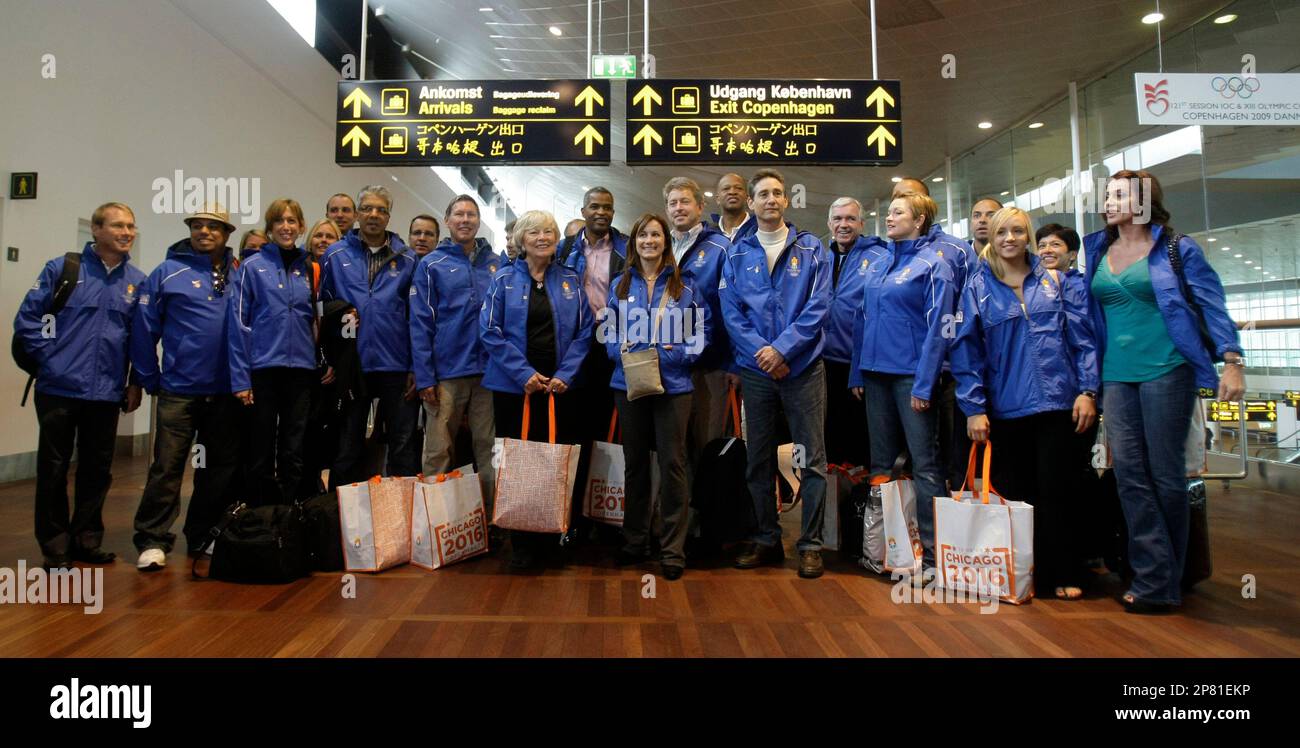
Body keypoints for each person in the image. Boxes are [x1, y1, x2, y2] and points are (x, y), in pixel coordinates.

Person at [1082, 169, 1244, 613]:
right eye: (1108, 194)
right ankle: (1155, 573)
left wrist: (1232, 361)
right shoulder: (1097, 247)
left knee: (1166, 475)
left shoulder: (1176, 248)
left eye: (1120, 194)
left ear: (1144, 200)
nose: (1110, 201)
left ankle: (1161, 579)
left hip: (1167, 369)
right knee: (1130, 476)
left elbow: (1212, 304)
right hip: (1116, 374)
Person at [951, 207, 1099, 600]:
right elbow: (967, 353)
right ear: (992, 238)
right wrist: (974, 408)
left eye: (1018, 231)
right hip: (1007, 408)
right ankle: (1021, 573)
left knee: (1060, 491)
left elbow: (1083, 340)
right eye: (1002, 232)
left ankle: (1064, 571)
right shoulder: (978, 287)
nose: (1010, 239)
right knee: (1018, 496)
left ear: (1028, 236)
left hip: (1059, 404)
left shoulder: (1056, 281)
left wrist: (1088, 390)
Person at [13, 202, 146, 570]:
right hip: (58, 389)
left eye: (131, 226)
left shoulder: (136, 281)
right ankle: (55, 546)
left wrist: (135, 382)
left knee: (97, 470)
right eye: (118, 226)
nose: (127, 233)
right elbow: (30, 319)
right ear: (96, 230)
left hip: (105, 392)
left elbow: (139, 339)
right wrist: (50, 360)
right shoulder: (64, 269)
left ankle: (87, 540)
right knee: (53, 468)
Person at [720, 169, 832, 579]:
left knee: (812, 459)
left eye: (777, 193)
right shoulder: (736, 253)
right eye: (763, 194)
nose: (771, 199)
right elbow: (731, 313)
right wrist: (762, 353)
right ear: (750, 203)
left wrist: (782, 350)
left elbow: (819, 307)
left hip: (803, 368)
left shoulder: (813, 248)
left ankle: (810, 544)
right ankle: (766, 538)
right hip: (755, 371)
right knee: (759, 458)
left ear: (786, 201)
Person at [130, 205, 242, 571]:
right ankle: (152, 539)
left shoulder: (240, 273)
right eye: (198, 226)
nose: (204, 232)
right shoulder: (166, 272)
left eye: (213, 227)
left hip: (225, 393)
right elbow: (145, 329)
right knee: (167, 466)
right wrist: (149, 377)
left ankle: (203, 535)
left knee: (216, 470)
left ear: (226, 233)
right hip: (179, 391)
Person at [481, 210, 593, 569]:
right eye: (534, 232)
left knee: (557, 460)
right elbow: (490, 331)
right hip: (517, 389)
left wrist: (566, 373)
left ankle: (557, 533)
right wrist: (522, 373)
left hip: (560, 387)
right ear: (521, 239)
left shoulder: (572, 281)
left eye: (549, 231)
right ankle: (521, 539)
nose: (542, 237)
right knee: (518, 461)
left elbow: (585, 331)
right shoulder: (502, 280)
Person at [849, 192, 955, 569]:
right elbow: (861, 322)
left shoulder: (933, 266)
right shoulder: (877, 265)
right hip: (875, 377)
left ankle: (933, 557)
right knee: (880, 466)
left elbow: (938, 332)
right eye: (888, 211)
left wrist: (926, 384)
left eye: (897, 212)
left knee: (926, 466)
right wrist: (856, 371)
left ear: (919, 220)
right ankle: (884, 550)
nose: (889, 217)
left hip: (912, 379)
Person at [604, 213, 708, 580]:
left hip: (674, 387)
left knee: (674, 465)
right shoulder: (620, 284)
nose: (650, 240)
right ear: (634, 242)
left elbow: (701, 329)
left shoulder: (685, 286)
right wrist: (623, 352)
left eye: (656, 235)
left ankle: (672, 549)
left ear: (666, 241)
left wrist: (677, 355)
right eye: (643, 235)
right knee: (635, 465)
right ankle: (634, 542)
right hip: (628, 385)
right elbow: (608, 332)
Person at [319, 185, 420, 486]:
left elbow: (417, 317)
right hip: (353, 364)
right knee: (348, 445)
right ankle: (339, 518)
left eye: (381, 209)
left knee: (403, 444)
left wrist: (416, 366)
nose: (374, 215)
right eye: (367, 208)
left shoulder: (409, 259)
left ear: (389, 216)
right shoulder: (335, 255)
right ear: (358, 213)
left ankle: (402, 517)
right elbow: (321, 307)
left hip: (396, 364)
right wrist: (330, 356)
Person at [411, 194, 501, 514]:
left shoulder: (495, 263)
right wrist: (424, 377)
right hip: (445, 373)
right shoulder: (431, 264)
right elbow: (420, 324)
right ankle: (434, 519)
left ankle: (492, 519)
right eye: (459, 214)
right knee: (438, 450)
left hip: (489, 374)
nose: (465, 219)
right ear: (447, 221)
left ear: (479, 222)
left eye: (472, 215)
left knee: (489, 449)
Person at [228, 198, 318, 505]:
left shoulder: (308, 268)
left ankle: (288, 517)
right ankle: (260, 515)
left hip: (301, 371)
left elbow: (315, 320)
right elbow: (239, 323)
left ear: (301, 227)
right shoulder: (252, 267)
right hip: (263, 369)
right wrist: (241, 379)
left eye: (292, 221)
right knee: (260, 447)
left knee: (294, 447)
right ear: (270, 229)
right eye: (279, 221)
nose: (286, 227)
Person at [894, 178, 976, 494]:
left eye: (909, 199)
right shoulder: (892, 253)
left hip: (950, 370)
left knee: (952, 454)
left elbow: (968, 308)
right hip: (907, 371)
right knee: (915, 456)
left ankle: (955, 532)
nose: (899, 207)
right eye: (896, 200)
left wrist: (952, 349)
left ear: (924, 208)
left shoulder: (956, 251)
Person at [558, 187, 627, 541]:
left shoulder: (626, 248)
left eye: (608, 206)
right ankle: (571, 520)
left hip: (611, 346)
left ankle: (605, 518)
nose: (602, 212)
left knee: (609, 434)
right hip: (573, 350)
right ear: (583, 209)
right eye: (595, 206)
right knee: (573, 435)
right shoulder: (565, 249)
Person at [664, 177, 733, 468]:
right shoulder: (659, 245)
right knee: (673, 446)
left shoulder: (721, 247)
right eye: (672, 203)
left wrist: (733, 363)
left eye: (685, 201)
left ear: (700, 206)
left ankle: (705, 513)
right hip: (667, 362)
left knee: (706, 444)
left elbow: (733, 307)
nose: (679, 208)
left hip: (711, 363)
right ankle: (676, 513)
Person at [823, 197, 881, 467]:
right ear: (829, 224)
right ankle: (834, 504)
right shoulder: (821, 259)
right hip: (824, 366)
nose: (843, 224)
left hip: (860, 367)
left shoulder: (880, 257)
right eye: (838, 219)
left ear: (861, 223)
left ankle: (865, 504)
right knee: (830, 441)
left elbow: (876, 318)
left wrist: (860, 367)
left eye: (850, 219)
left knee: (861, 443)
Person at [299, 219, 341, 496]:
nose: (323, 240)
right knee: (302, 431)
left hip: (334, 366)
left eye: (330, 236)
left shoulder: (340, 275)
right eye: (319, 235)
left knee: (329, 433)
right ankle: (304, 491)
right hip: (302, 364)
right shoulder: (298, 270)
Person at [711, 172, 757, 242]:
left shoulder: (760, 229)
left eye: (738, 188)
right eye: (726, 188)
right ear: (718, 199)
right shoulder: (708, 234)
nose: (732, 192)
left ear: (747, 197)